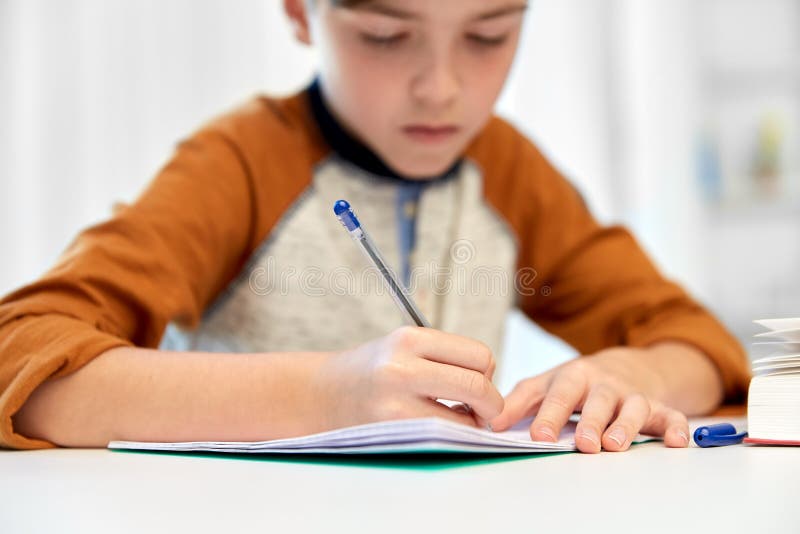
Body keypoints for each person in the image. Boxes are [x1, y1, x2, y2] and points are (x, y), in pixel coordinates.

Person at [0, 0, 750, 453]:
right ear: (301, 12)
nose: (442, 88)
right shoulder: (239, 164)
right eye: (387, 35)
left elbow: (697, 342)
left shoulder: (507, 168)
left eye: (488, 36)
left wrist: (635, 375)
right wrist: (324, 393)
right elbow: (19, 358)